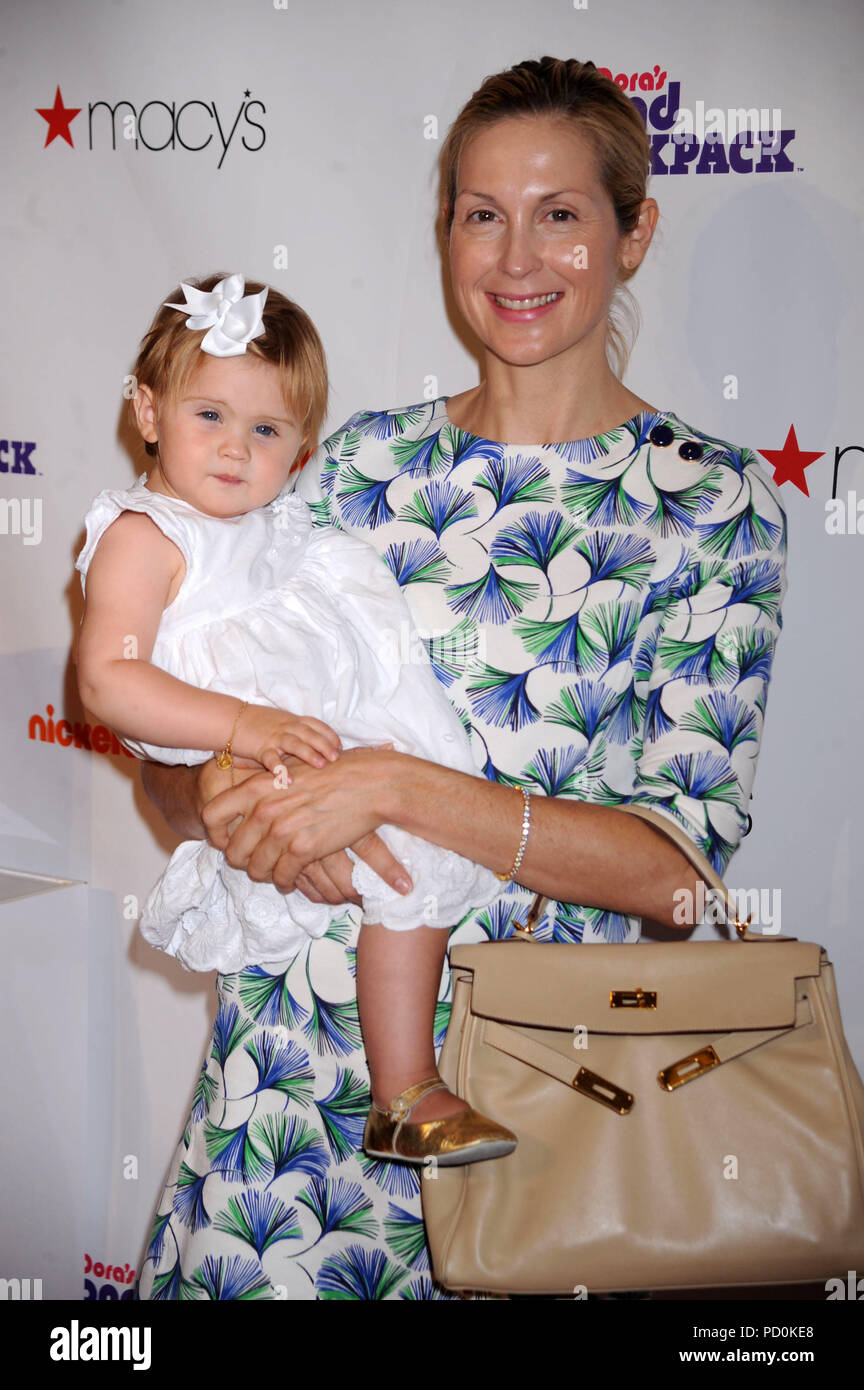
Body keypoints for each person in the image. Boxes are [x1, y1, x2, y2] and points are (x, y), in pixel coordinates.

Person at [133, 56, 787, 1300]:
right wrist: (209, 792)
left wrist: (394, 786)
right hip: (282, 1107)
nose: (514, 256)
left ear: (634, 232)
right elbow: (173, 769)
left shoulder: (709, 502)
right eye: (482, 212)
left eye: (561, 214)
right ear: (445, 230)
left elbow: (680, 880)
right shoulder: (338, 467)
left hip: (534, 1116)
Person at [75, 271, 518, 1173]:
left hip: (312, 743)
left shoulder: (287, 534)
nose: (236, 449)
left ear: (303, 451)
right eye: (211, 417)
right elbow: (109, 682)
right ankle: (406, 1086)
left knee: (417, 857)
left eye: (266, 430)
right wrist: (245, 728)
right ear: (147, 410)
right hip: (253, 749)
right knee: (397, 854)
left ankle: (405, 1089)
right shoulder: (144, 533)